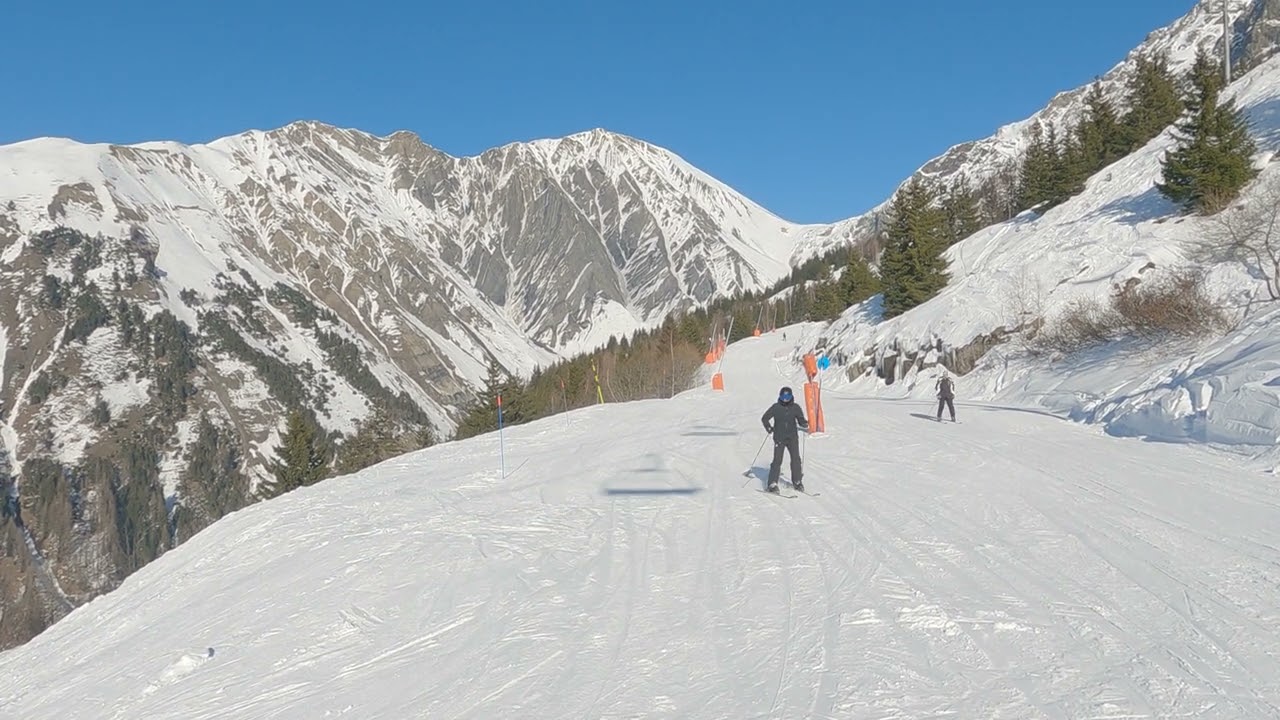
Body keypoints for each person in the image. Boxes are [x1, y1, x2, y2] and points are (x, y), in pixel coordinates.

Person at [761, 386, 809, 492]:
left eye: (788, 396)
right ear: (780, 396)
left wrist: (804, 423)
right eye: (783, 396)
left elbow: (801, 419)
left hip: (792, 438)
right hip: (779, 438)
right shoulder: (776, 407)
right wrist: (769, 428)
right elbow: (764, 418)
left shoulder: (795, 407)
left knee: (796, 459)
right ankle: (772, 484)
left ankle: (797, 481)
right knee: (777, 460)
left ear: (791, 396)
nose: (785, 399)